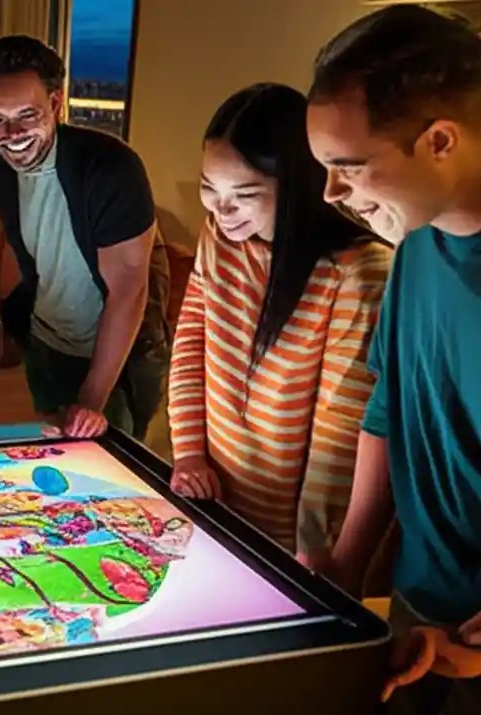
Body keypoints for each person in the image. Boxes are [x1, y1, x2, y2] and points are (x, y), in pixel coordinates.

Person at [304, 6, 481, 715]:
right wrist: (347, 562)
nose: (333, 195)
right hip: (418, 609)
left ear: (440, 140)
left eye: (348, 168)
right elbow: (390, 409)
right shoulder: (416, 244)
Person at [167, 83, 390, 556]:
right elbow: (190, 345)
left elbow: (340, 432)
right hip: (211, 495)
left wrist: (314, 552)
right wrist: (188, 454)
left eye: (243, 194)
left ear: (297, 187)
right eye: (209, 189)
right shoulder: (221, 236)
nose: (221, 210)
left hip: (292, 536)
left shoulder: (357, 271)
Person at [0, 35, 171, 440]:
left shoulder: (110, 168)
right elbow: (21, 241)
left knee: (117, 475)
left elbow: (129, 286)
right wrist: (5, 319)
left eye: (28, 115)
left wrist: (93, 398)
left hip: (117, 357)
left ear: (56, 104)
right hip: (46, 342)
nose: (12, 134)